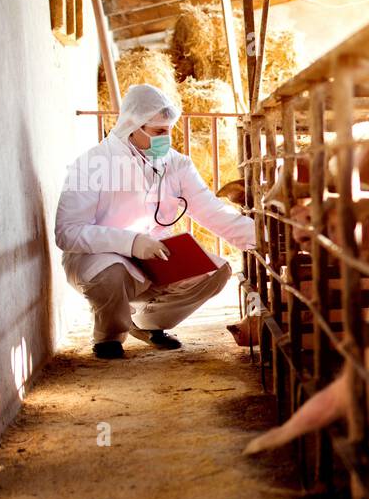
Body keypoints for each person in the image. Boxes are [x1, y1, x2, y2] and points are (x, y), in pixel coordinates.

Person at [55, 84, 255, 359]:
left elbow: (213, 212)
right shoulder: (93, 164)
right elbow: (67, 232)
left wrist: (267, 237)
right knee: (112, 272)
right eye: (159, 132)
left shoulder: (177, 164)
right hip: (98, 258)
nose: (167, 139)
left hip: (151, 255)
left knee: (216, 271)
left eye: (169, 129)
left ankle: (147, 323)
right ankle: (109, 336)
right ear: (132, 127)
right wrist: (132, 242)